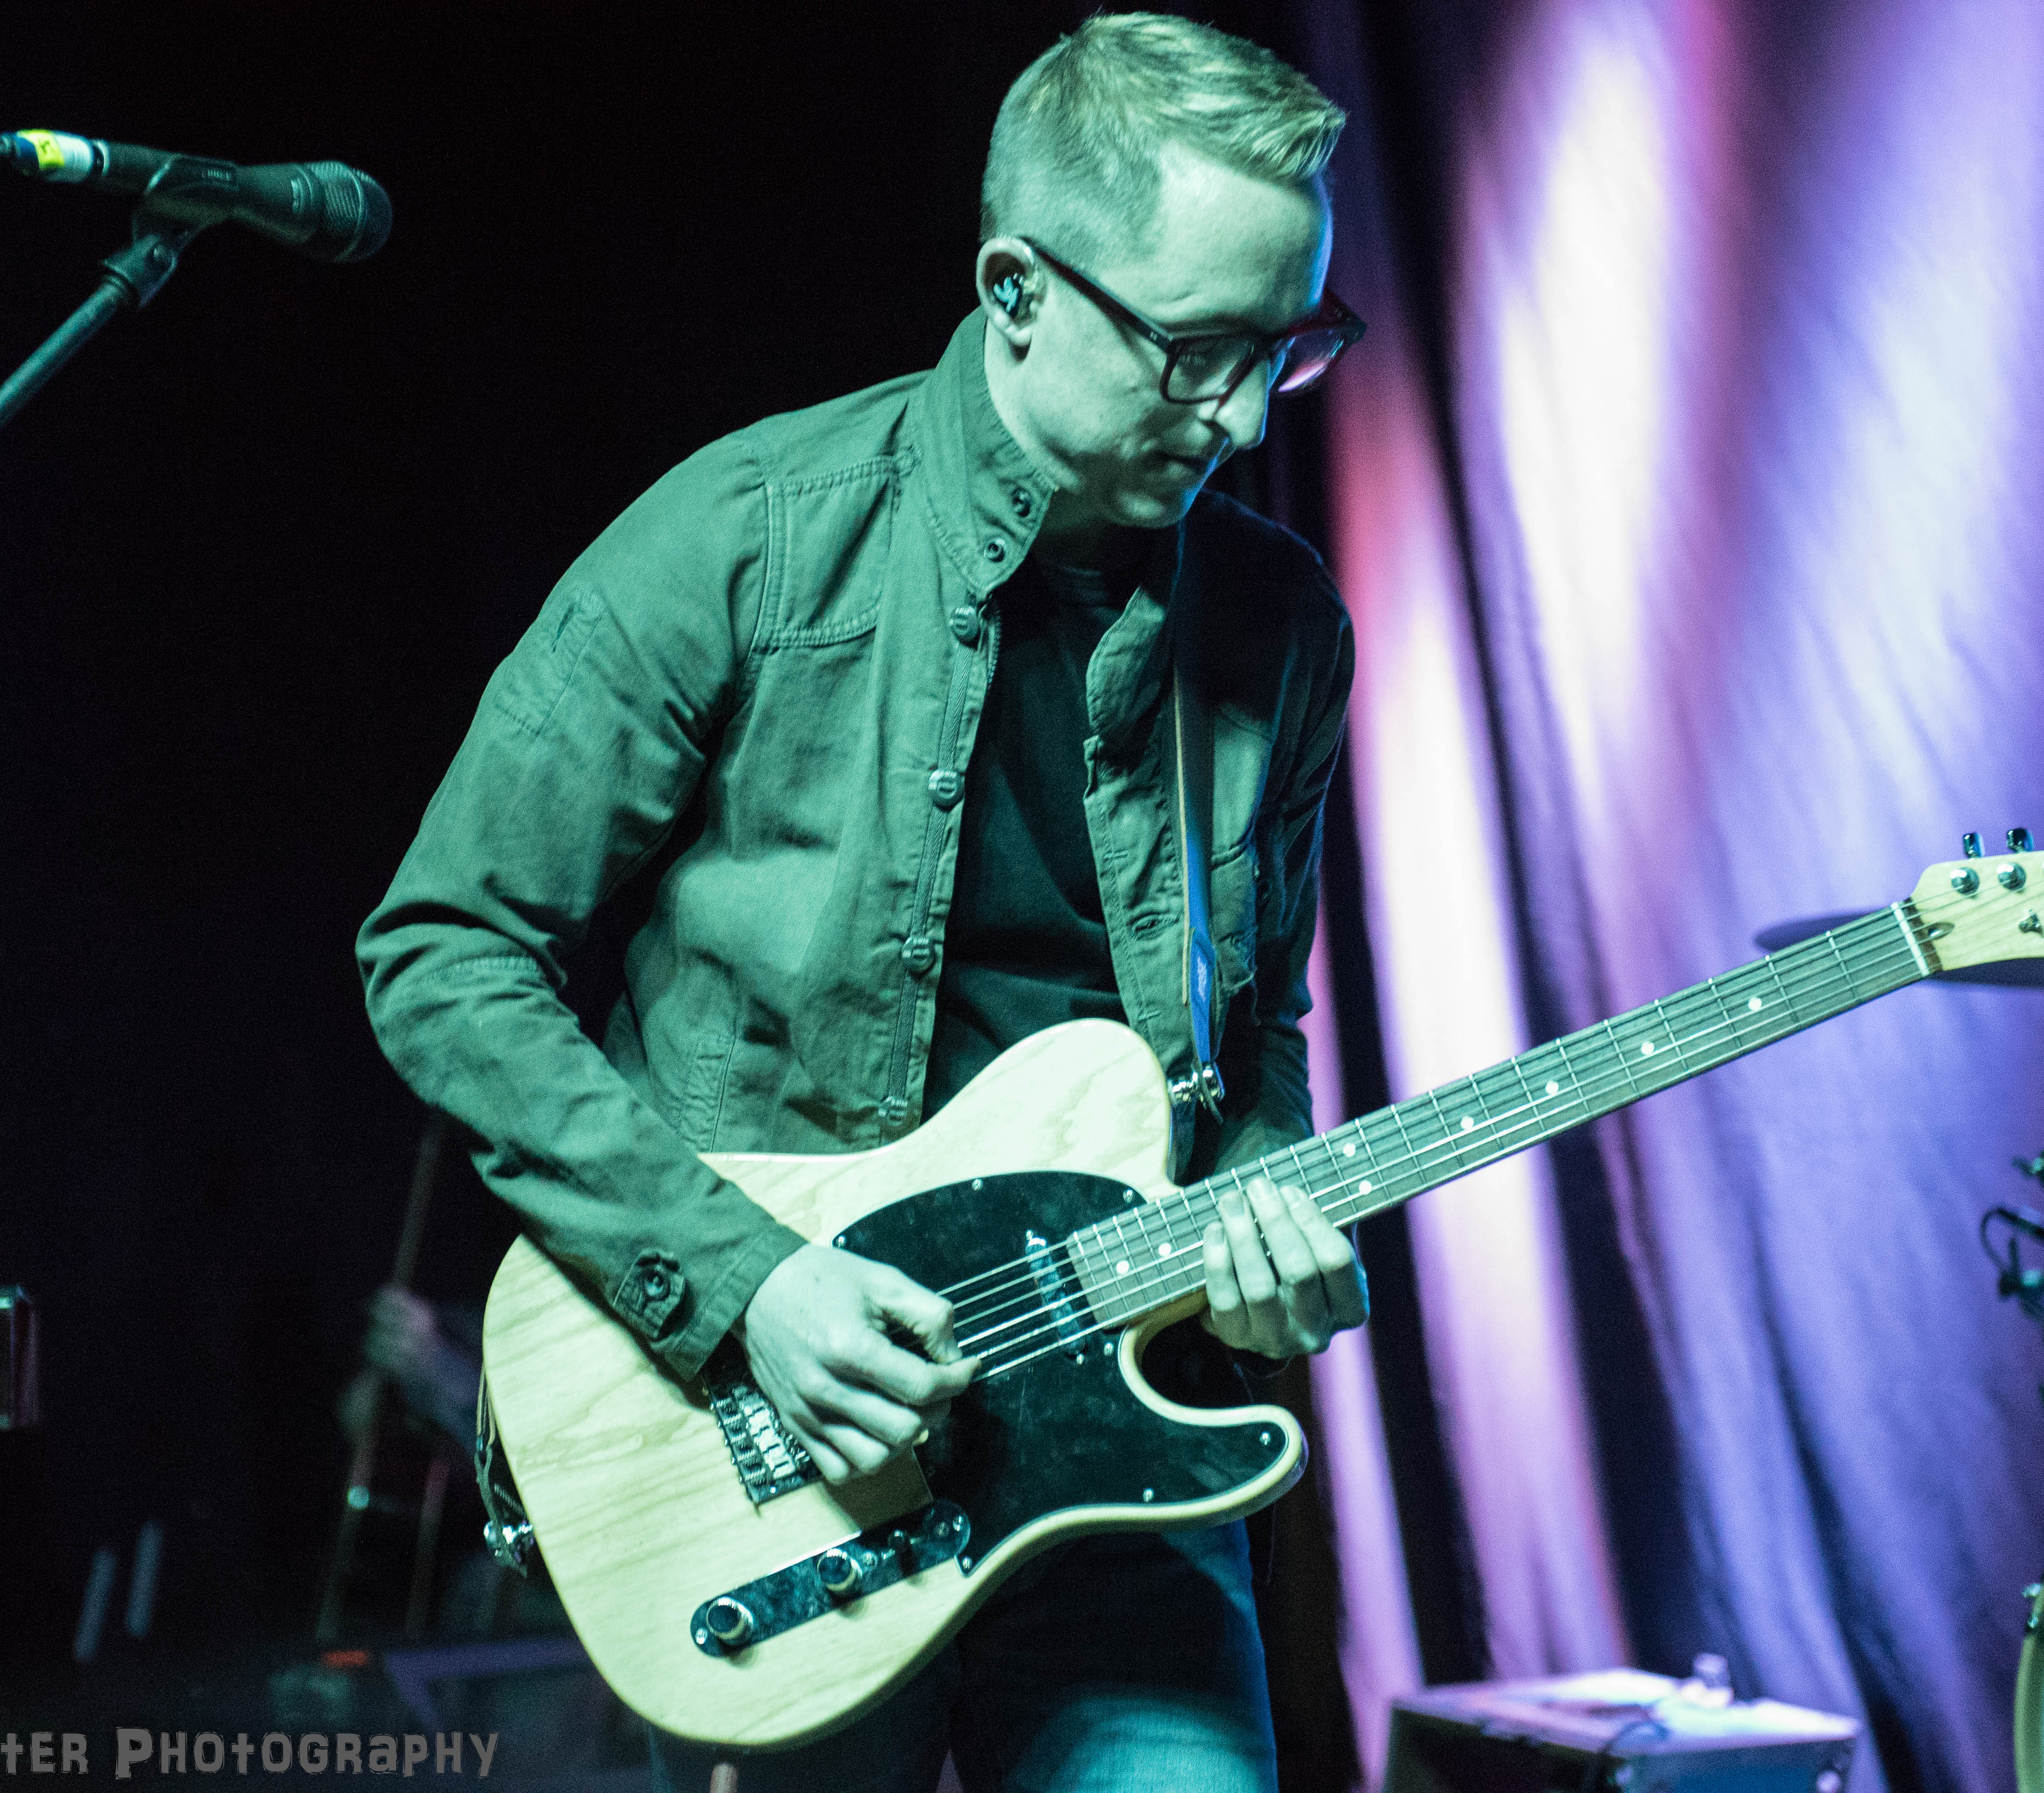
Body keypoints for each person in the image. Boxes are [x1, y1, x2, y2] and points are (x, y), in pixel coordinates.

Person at [360, 17, 1367, 1789]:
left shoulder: (1277, 624)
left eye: (1281, 352)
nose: (1232, 415)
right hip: (782, 1450)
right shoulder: (745, 538)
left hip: (1117, 1442)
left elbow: (1252, 1032)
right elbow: (443, 953)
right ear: (1016, 289)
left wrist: (1270, 1224)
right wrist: (751, 1286)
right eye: (1194, 349)